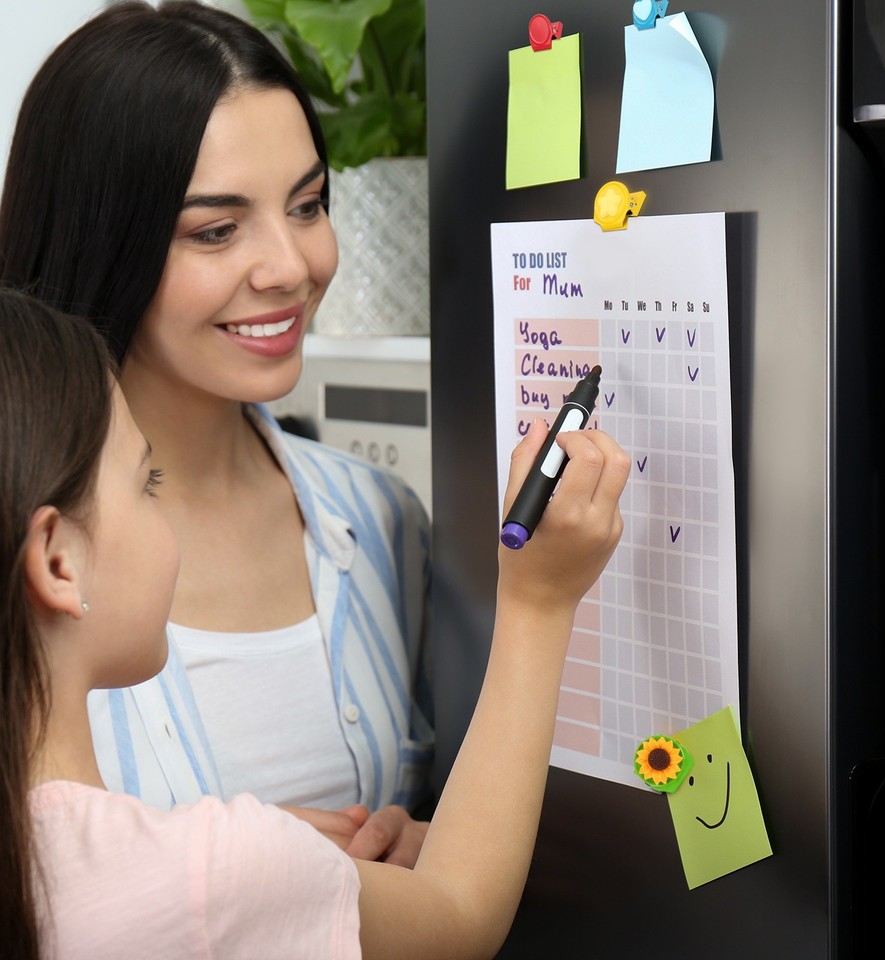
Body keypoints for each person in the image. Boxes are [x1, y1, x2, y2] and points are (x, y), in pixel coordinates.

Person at [0, 285, 628, 959]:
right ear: (59, 563)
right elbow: (458, 912)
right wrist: (539, 602)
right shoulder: (212, 871)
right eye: (146, 483)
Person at [0, 0, 434, 864]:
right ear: (104, 242)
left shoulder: (383, 520)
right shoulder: (23, 551)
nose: (292, 267)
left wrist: (421, 856)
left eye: (308, 205)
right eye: (217, 230)